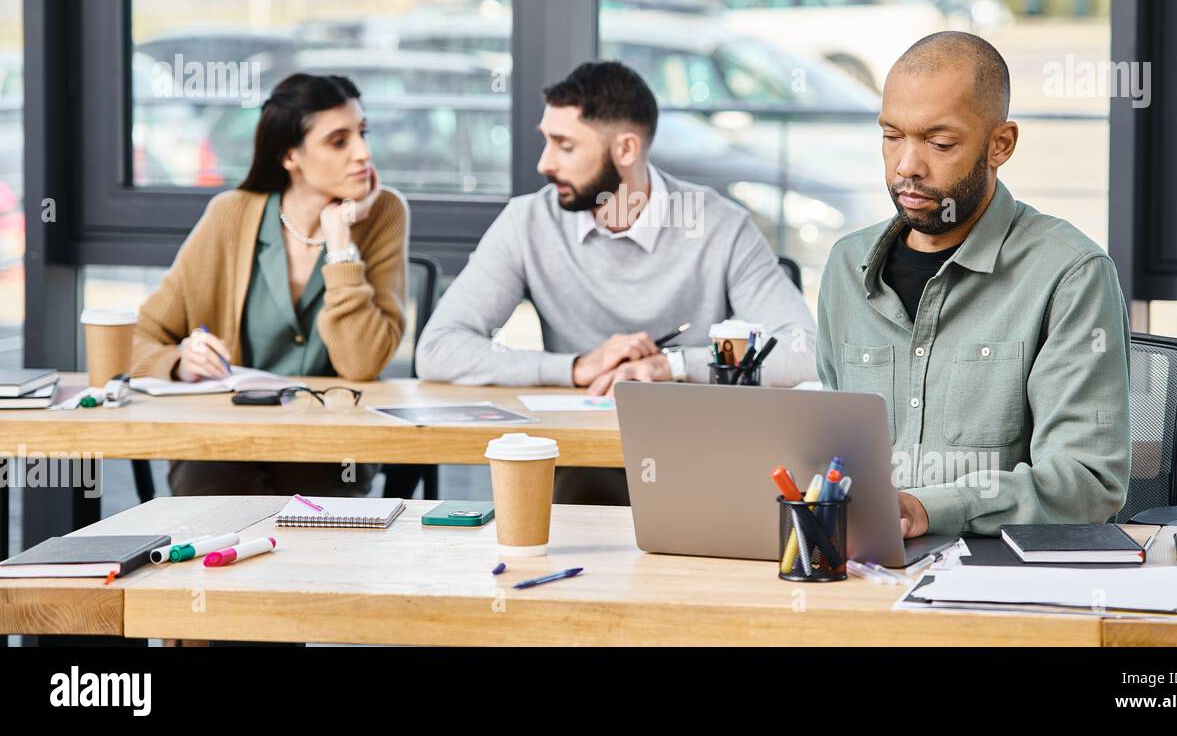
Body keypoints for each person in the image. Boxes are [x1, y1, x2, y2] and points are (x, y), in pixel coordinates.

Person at [416, 60, 817, 503]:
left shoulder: (720, 225)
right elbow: (437, 350)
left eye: (564, 146)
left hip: (696, 451)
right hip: (580, 456)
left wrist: (674, 367)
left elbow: (804, 351)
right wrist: (574, 367)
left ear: (626, 149)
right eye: (546, 142)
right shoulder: (527, 221)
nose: (544, 164)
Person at [816, 31, 1131, 538]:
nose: (906, 167)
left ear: (1000, 144)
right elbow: (832, 454)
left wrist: (930, 508)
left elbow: (1087, 482)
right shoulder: (846, 267)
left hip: (1002, 576)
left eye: (939, 143)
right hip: (867, 565)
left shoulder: (1070, 273)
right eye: (891, 135)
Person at [131, 72, 409, 497]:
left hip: (327, 453)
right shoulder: (231, 215)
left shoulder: (384, 213)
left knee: (315, 528)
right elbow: (137, 338)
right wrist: (179, 363)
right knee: (212, 503)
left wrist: (339, 241)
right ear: (289, 157)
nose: (363, 153)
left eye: (362, 133)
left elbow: (361, 362)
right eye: (339, 141)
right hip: (225, 447)